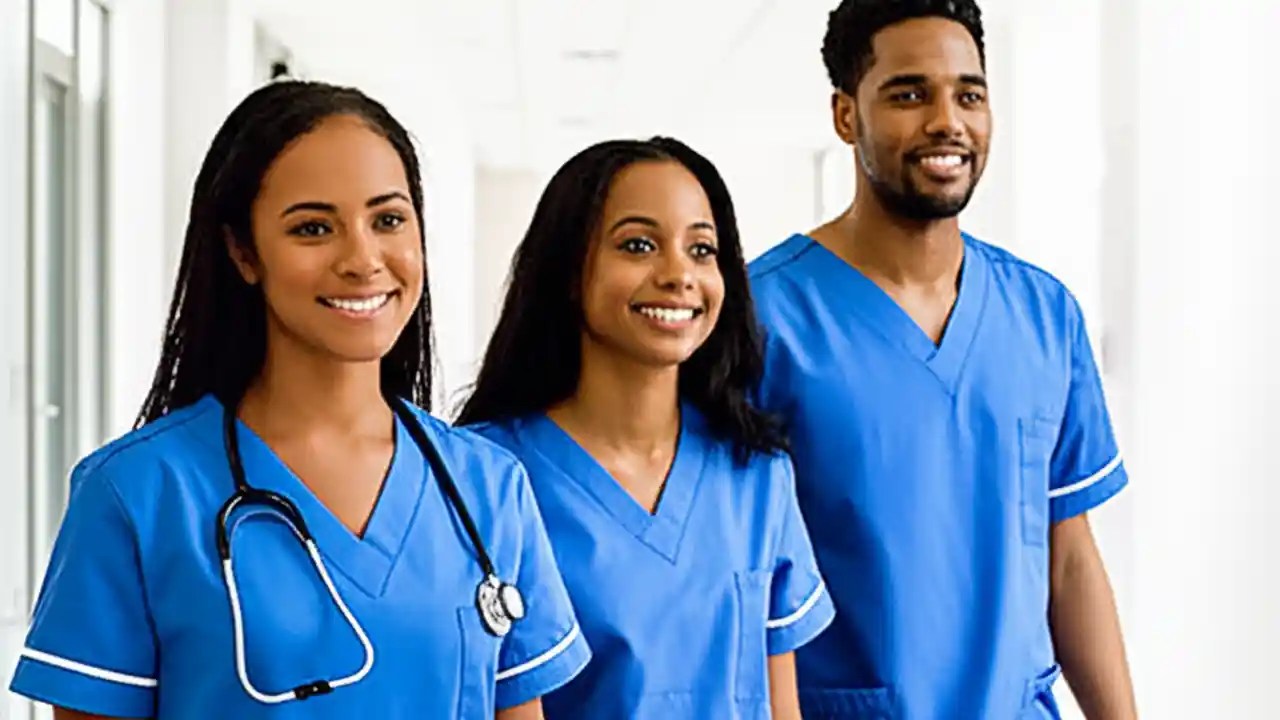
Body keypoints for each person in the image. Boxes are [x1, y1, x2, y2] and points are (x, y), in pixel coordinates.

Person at [9, 80, 589, 719]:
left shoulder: (487, 486)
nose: (363, 259)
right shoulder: (138, 493)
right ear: (242, 251)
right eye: (313, 228)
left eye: (388, 219)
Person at [748, 1, 1138, 718]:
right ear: (845, 115)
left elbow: (1070, 557)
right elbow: (735, 577)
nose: (946, 121)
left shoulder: (1044, 315)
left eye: (969, 94)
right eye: (908, 94)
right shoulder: (762, 320)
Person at [456, 137, 834, 719]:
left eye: (702, 249)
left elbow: (782, 707)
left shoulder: (756, 475)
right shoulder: (488, 480)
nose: (679, 274)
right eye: (638, 245)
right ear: (566, 269)